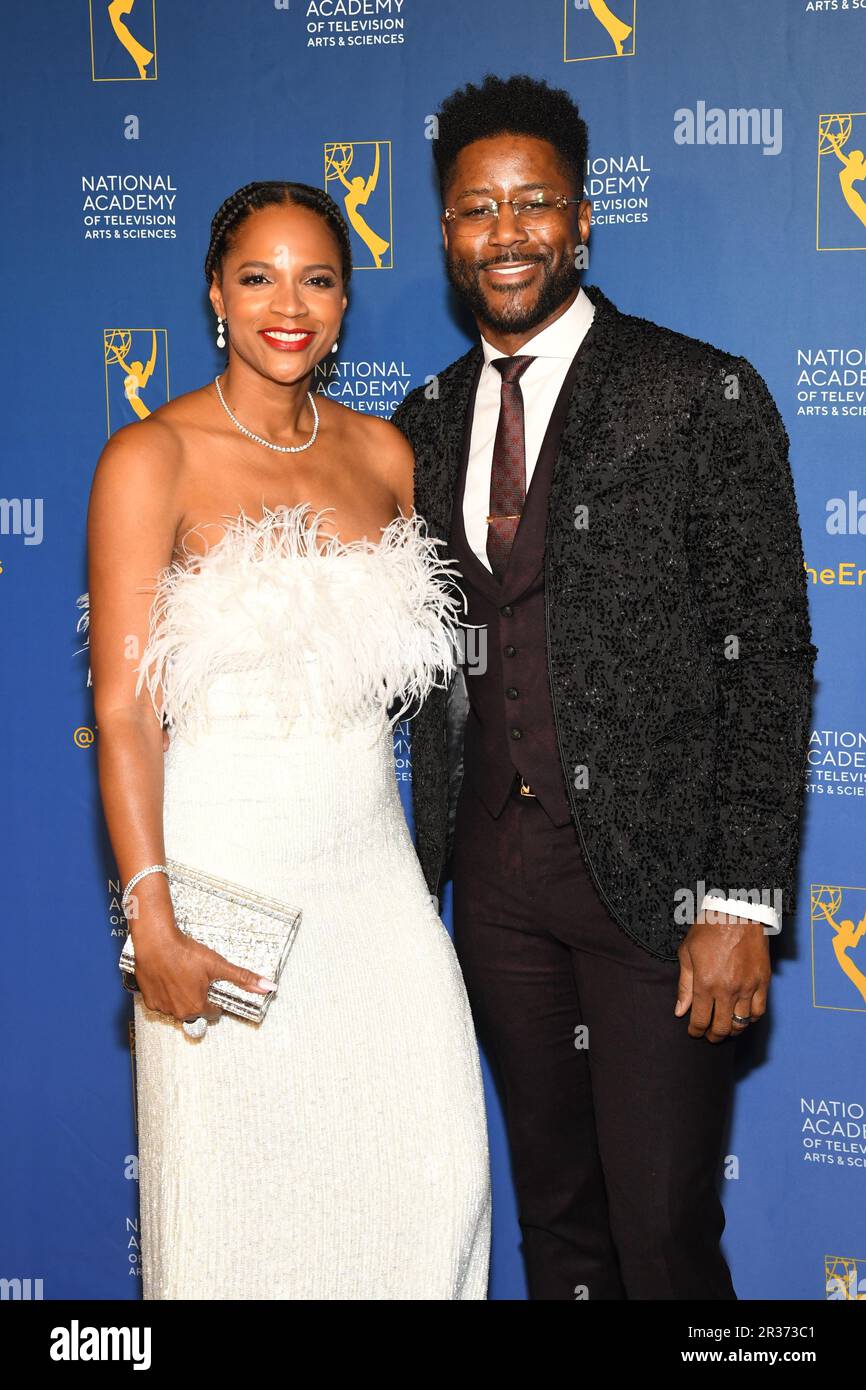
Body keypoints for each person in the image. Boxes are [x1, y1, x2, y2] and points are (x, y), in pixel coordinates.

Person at [392, 74, 817, 1300]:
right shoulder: (415, 424)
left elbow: (768, 652)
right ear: (445, 233)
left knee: (663, 1235)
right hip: (495, 891)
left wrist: (738, 896)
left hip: (658, 885)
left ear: (582, 219)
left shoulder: (698, 393)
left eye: (533, 203)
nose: (505, 231)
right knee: (557, 1229)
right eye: (477, 207)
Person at [81, 180, 491, 1300]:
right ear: (215, 294)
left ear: (345, 303)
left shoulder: (383, 457)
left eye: (316, 278)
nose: (287, 304)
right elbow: (124, 710)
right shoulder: (147, 458)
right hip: (222, 893)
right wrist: (150, 914)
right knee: (235, 1235)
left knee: (431, 1186)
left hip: (376, 895)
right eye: (257, 276)